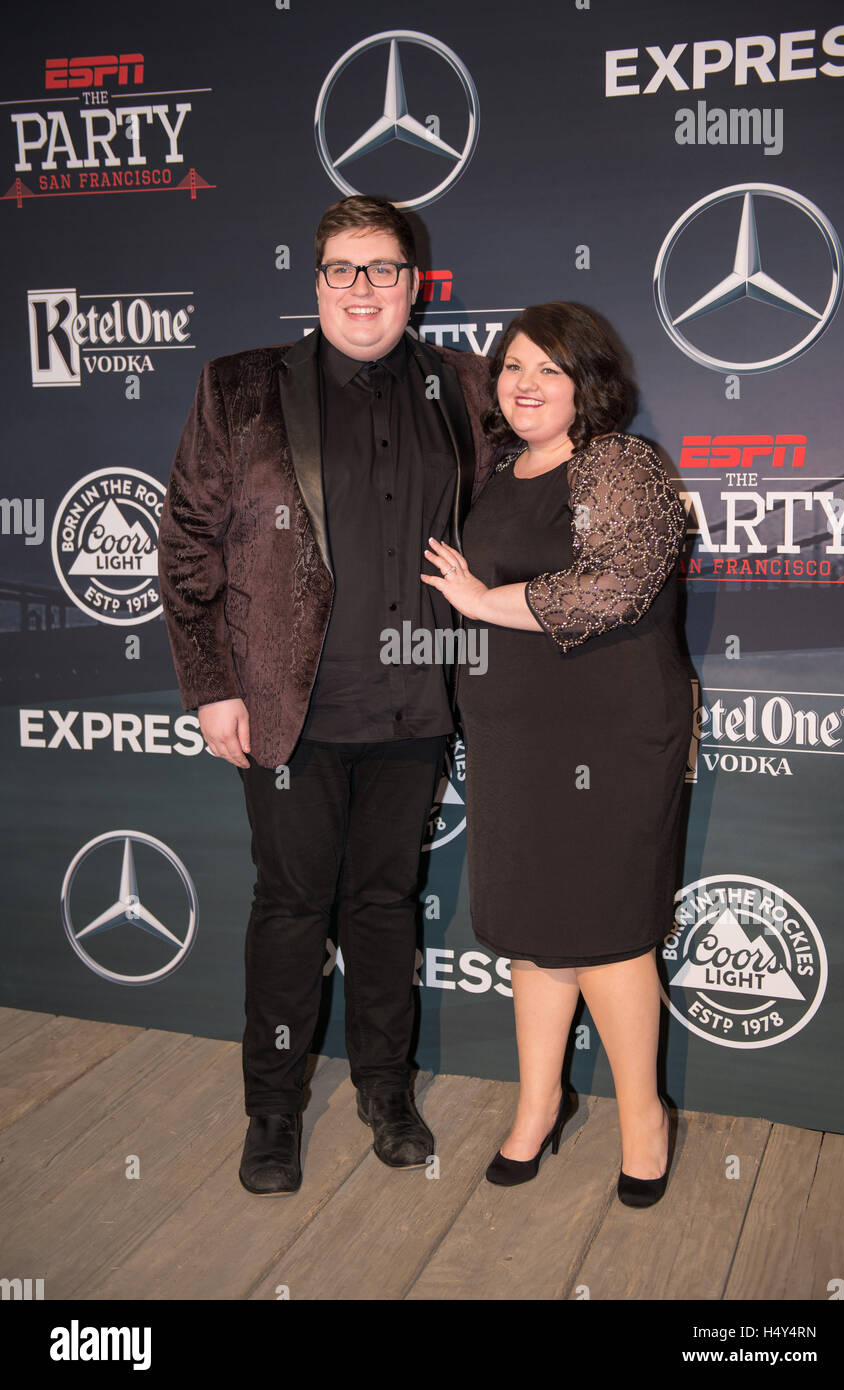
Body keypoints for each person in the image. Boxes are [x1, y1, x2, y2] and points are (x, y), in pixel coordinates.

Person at [157, 195, 493, 1195]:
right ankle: (272, 1110)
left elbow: (527, 503)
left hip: (417, 704)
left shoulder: (467, 388)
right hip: (288, 712)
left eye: (382, 269)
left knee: (387, 907)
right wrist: (213, 687)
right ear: (315, 281)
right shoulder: (243, 388)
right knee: (293, 908)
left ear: (414, 284)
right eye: (343, 269)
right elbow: (185, 544)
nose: (363, 289)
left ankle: (386, 1093)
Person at [422, 302, 692, 1206]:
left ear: (588, 383)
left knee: (610, 933)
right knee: (533, 935)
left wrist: (478, 602)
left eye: (549, 368)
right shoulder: (499, 470)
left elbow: (611, 589)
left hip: (609, 734)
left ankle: (642, 1118)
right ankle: (539, 1106)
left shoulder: (620, 463)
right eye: (511, 367)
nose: (525, 384)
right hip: (513, 734)